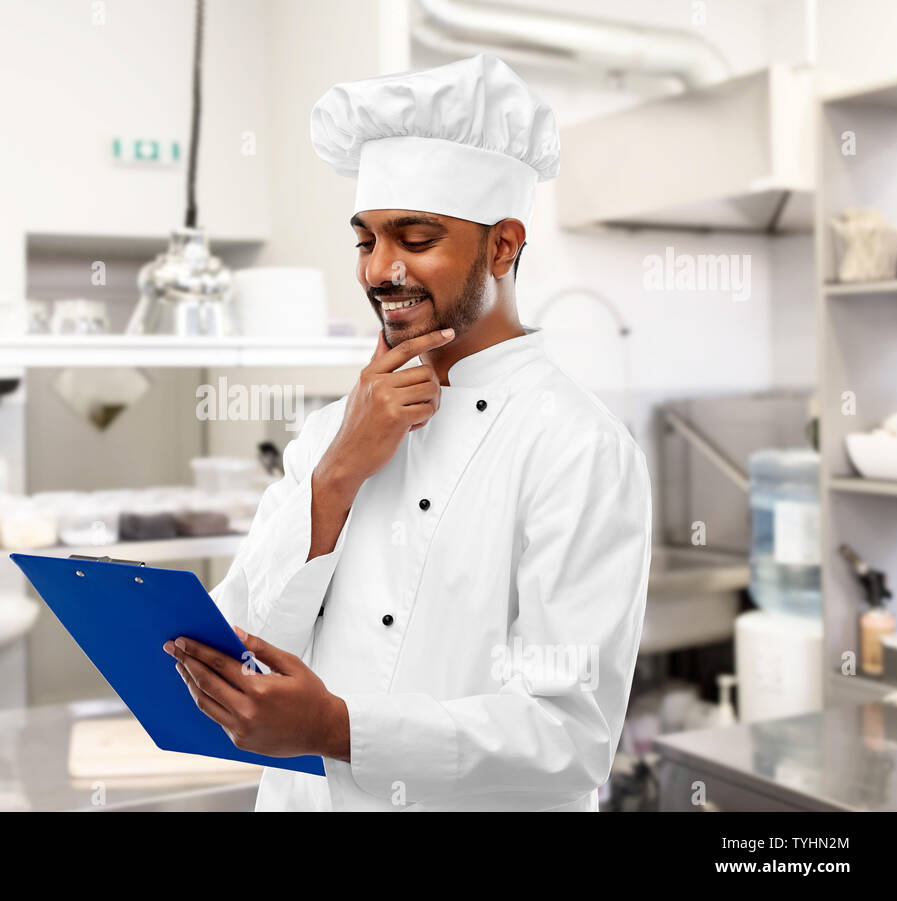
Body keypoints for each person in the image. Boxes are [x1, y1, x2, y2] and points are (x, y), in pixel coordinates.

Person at [162, 54, 652, 812]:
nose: (380, 270)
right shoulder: (332, 431)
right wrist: (336, 477)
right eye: (366, 241)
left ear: (502, 247)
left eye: (415, 237)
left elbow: (569, 730)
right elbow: (233, 645)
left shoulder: (577, 447)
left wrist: (338, 726)